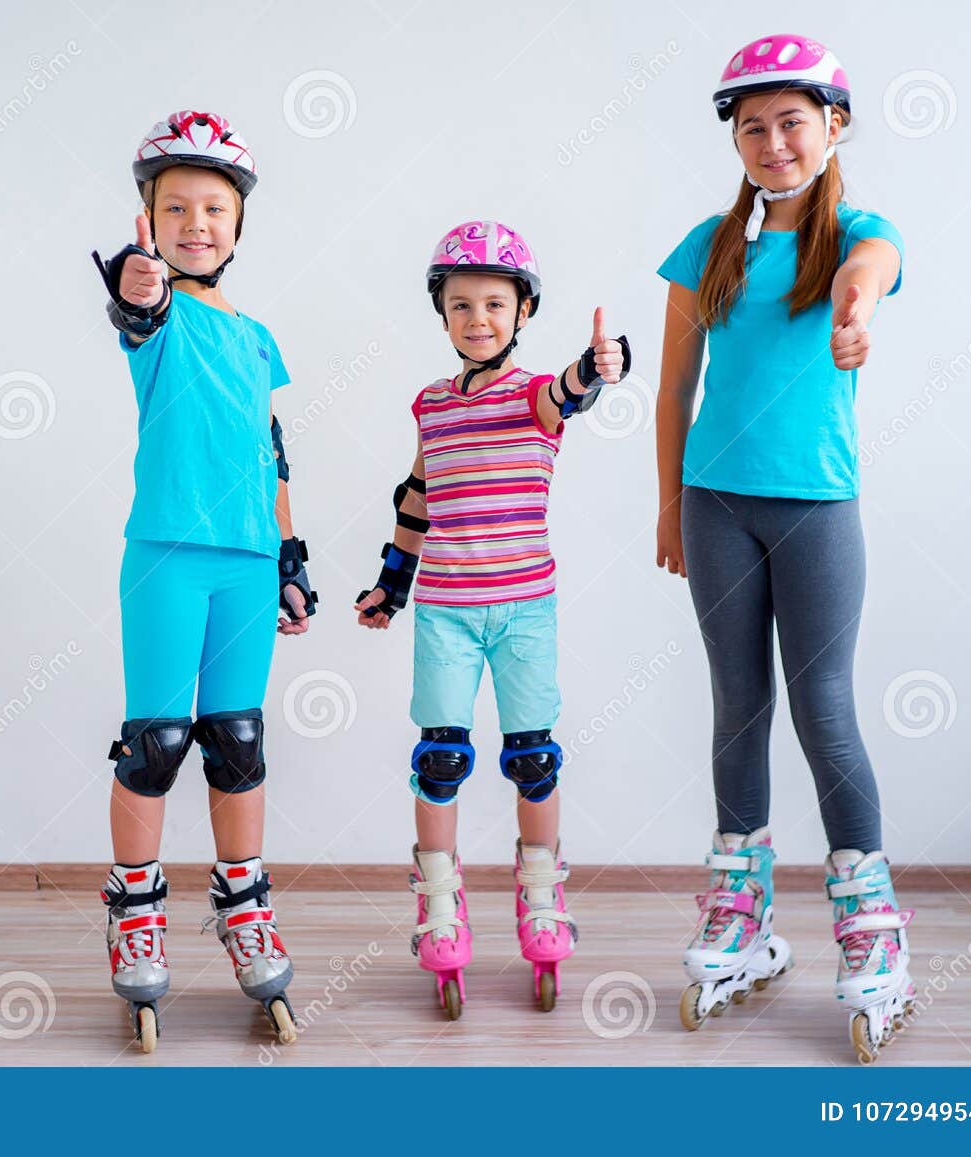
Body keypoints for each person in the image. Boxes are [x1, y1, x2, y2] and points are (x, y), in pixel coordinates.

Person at [654, 37, 915, 1062]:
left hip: (815, 509)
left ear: (833, 125)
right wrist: (670, 507)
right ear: (734, 137)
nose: (771, 141)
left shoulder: (861, 231)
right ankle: (741, 913)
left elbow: (872, 267)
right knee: (736, 704)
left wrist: (855, 304)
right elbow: (674, 389)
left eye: (792, 121)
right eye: (752, 125)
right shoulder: (707, 249)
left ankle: (868, 920)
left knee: (825, 708)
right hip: (715, 504)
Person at [354, 220, 628, 1018]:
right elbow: (419, 496)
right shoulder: (431, 405)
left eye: (495, 305)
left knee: (533, 757)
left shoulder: (532, 395)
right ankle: (439, 902)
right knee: (439, 759)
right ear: (441, 315)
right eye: (462, 304)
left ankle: (540, 895)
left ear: (522, 312)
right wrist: (391, 583)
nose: (479, 318)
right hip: (445, 609)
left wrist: (599, 368)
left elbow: (568, 391)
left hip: (523, 610)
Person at [91, 110, 315, 1051]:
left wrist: (292, 557)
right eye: (173, 206)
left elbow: (270, 452)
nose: (194, 223)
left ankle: (243, 902)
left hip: (249, 565)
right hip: (169, 556)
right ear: (147, 217)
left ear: (239, 224)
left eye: (213, 208)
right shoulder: (159, 312)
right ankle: (135, 912)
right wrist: (136, 291)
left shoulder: (258, 336)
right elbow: (134, 308)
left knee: (236, 739)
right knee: (156, 740)